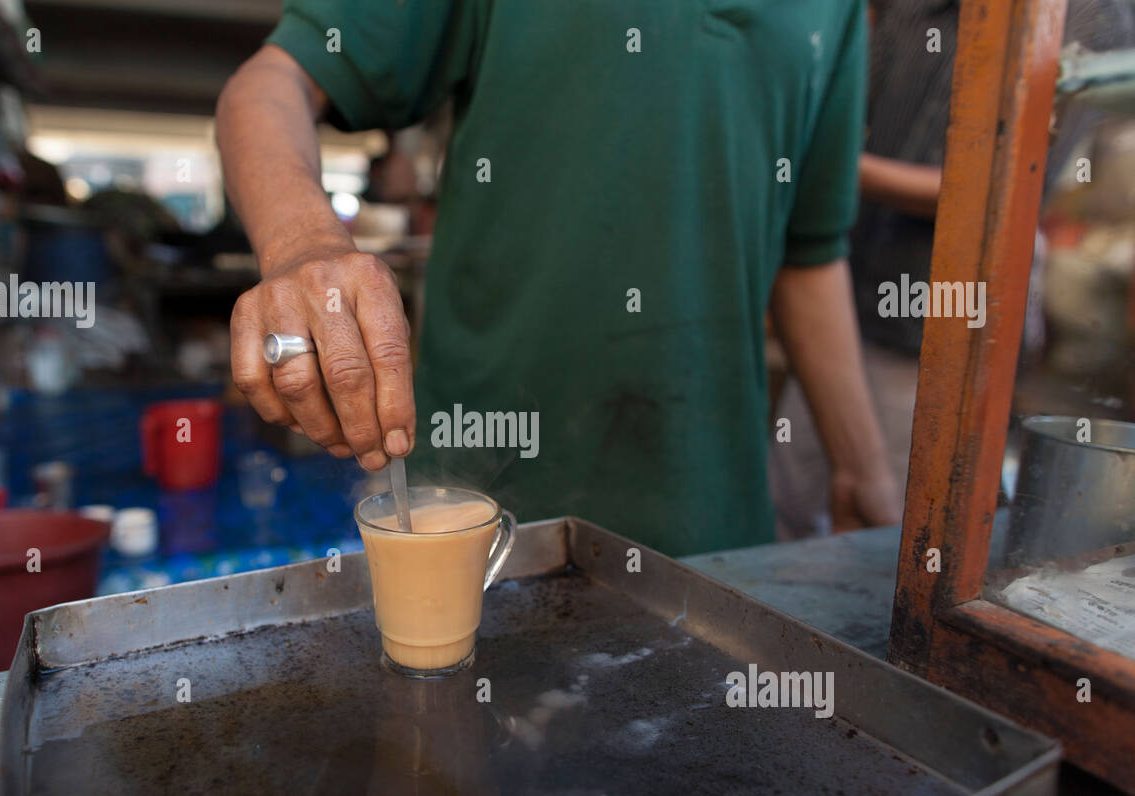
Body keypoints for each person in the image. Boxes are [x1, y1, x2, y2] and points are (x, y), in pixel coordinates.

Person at [216, 0, 901, 557]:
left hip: (714, 528)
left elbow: (810, 254)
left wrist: (863, 471)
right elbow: (271, 83)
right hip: (480, 517)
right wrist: (303, 244)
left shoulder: (837, 12)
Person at [769, 0, 1135, 540]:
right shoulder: (913, 10)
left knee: (893, 534)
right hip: (840, 308)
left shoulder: (1087, 14)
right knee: (794, 514)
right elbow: (847, 110)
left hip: (934, 336)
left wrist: (831, 170)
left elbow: (1005, 188)